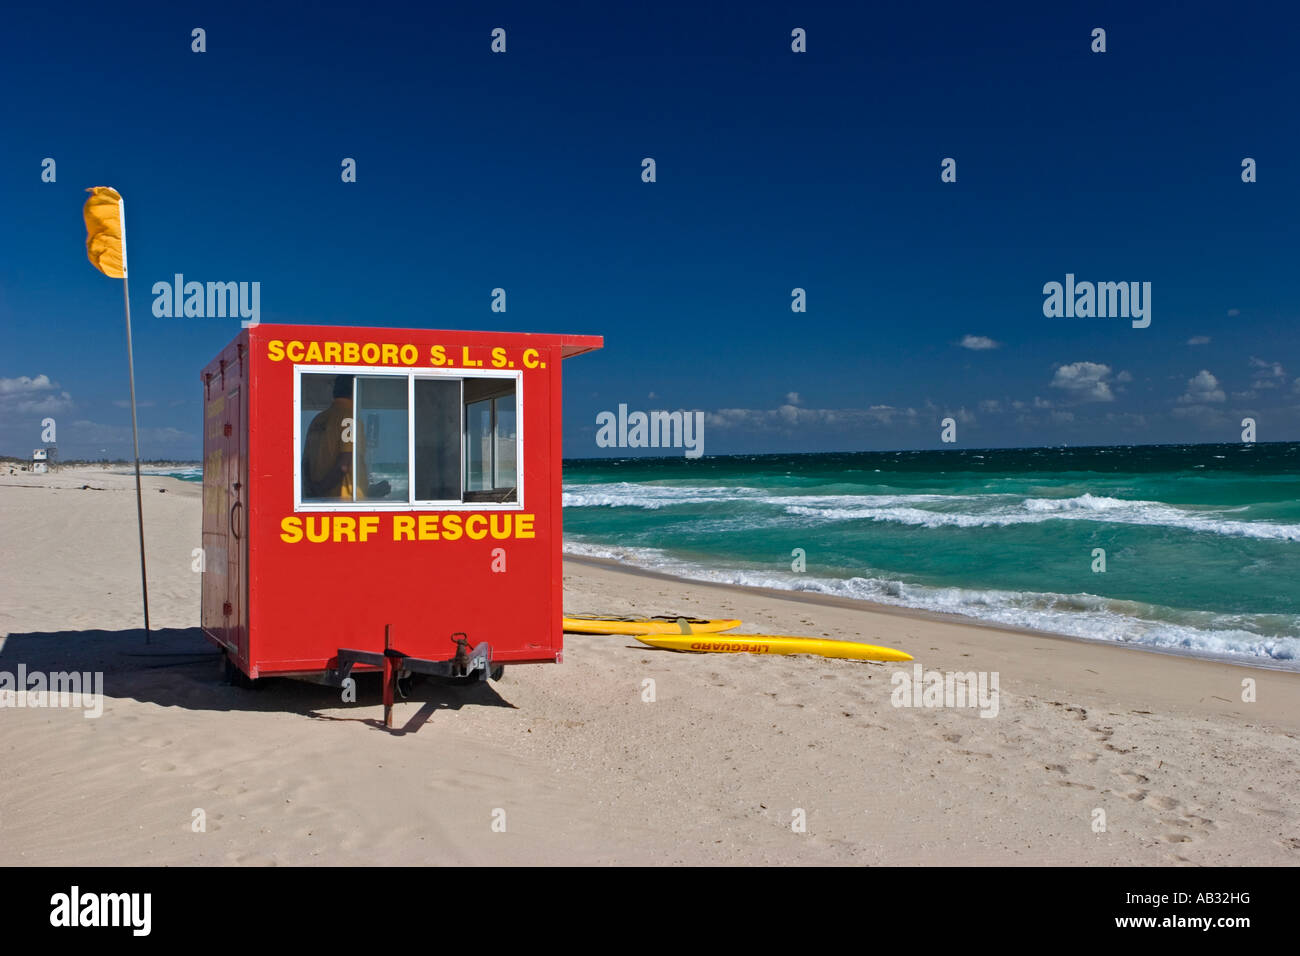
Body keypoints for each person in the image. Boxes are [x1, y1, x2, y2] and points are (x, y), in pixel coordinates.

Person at [303, 375, 390, 500]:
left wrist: (314, 492)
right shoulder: (350, 416)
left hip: (320, 500)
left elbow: (306, 463)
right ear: (356, 391)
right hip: (344, 500)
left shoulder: (318, 419)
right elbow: (343, 465)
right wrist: (320, 490)